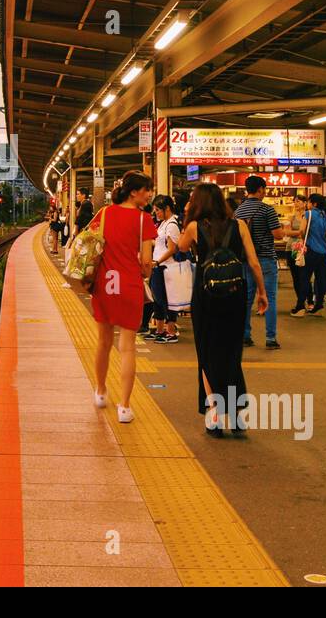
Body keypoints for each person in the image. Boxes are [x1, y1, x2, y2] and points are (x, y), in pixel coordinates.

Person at [178, 182, 268, 435]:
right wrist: (262, 292)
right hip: (235, 294)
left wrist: (187, 215)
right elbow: (254, 262)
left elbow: (180, 248)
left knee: (207, 353)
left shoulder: (194, 227)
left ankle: (214, 413)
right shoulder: (239, 225)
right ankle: (237, 415)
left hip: (206, 295)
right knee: (231, 352)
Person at [88, 170, 156, 424]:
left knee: (103, 342)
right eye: (146, 189)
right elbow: (147, 263)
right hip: (129, 287)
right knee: (127, 347)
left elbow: (89, 241)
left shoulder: (104, 213)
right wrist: (143, 268)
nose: (149, 194)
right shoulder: (143, 220)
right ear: (134, 192)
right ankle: (125, 407)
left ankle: (101, 391)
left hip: (104, 285)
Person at [235, 175, 284, 350]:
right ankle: (271, 338)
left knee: (247, 299)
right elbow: (278, 235)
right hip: (265, 259)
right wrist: (282, 230)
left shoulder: (238, 211)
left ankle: (245, 335)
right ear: (261, 189)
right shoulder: (267, 210)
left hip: (246, 260)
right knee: (269, 297)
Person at [145, 195, 183, 344]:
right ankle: (160, 330)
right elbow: (160, 243)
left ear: (167, 208)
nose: (156, 213)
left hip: (167, 267)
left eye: (158, 210)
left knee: (167, 300)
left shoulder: (172, 225)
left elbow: (172, 249)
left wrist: (157, 262)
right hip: (159, 266)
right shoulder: (163, 223)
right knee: (157, 299)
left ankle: (171, 331)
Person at [291, 194, 326, 317]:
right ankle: (319, 306)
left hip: (311, 251)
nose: (308, 204)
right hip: (323, 253)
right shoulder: (325, 217)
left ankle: (300, 307)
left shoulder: (308, 214)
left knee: (304, 279)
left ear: (314, 204)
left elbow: (302, 231)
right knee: (321, 279)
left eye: (309, 202)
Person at [284, 195, 310, 314]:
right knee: (296, 277)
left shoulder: (309, 216)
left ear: (305, 203)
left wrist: (296, 233)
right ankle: (301, 302)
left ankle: (309, 301)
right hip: (291, 249)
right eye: (295, 201)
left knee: (305, 276)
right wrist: (299, 233)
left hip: (305, 249)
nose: (296, 203)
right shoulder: (291, 217)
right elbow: (286, 231)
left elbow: (306, 233)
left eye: (298, 201)